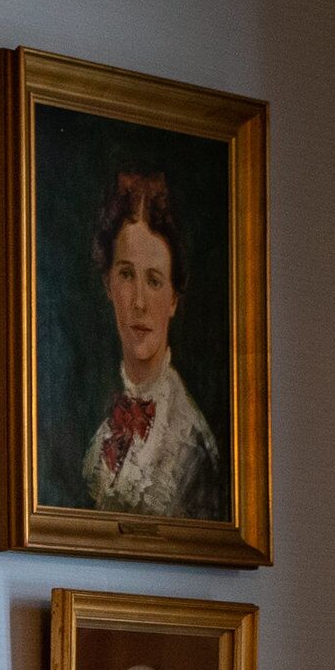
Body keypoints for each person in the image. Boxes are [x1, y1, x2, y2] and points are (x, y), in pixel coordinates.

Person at [76, 169, 226, 523]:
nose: (139, 302)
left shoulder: (191, 446)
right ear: (108, 285)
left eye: (154, 281)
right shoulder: (102, 434)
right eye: (127, 275)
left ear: (173, 298)